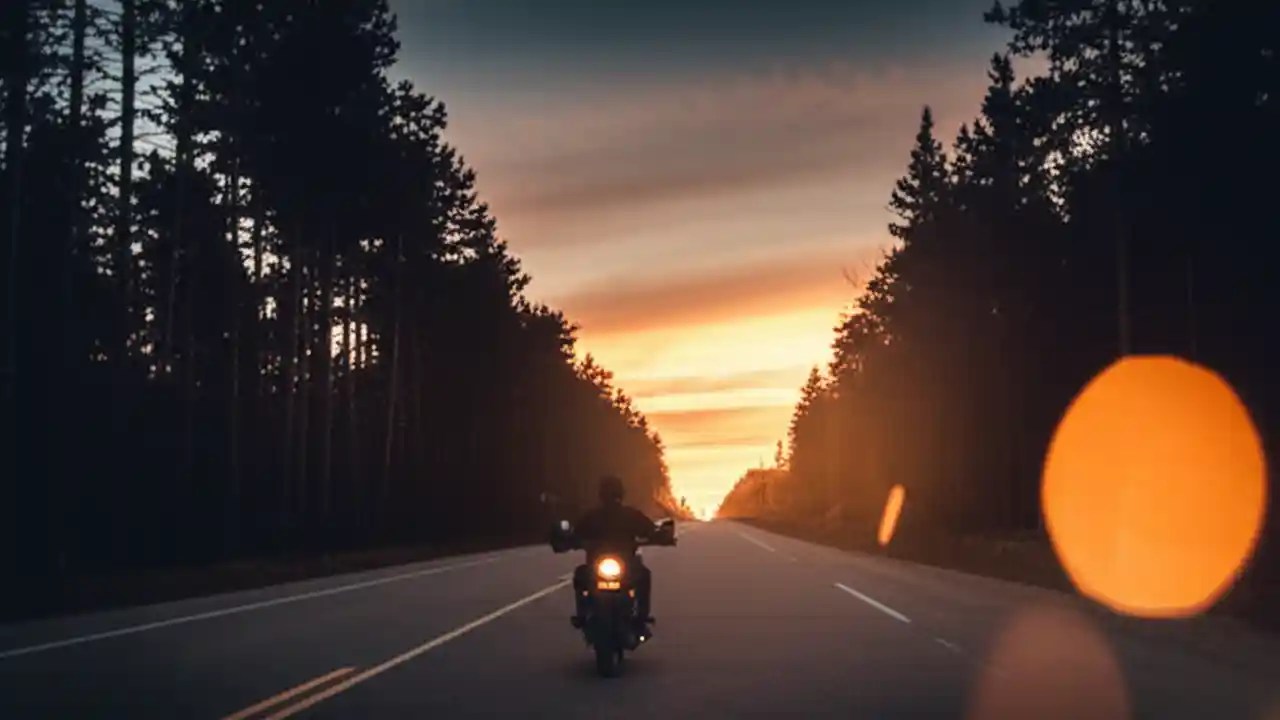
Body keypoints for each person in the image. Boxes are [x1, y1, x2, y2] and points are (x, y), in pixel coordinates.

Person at [571, 475, 657, 633]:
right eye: (608, 493)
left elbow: (650, 530)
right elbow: (575, 533)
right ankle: (582, 614)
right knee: (580, 575)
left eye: (612, 492)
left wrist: (661, 535)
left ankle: (641, 617)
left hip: (627, 566)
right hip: (596, 566)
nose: (610, 496)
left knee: (643, 575)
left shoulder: (630, 515)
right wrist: (566, 539)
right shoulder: (592, 516)